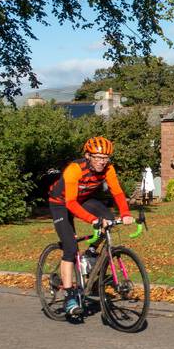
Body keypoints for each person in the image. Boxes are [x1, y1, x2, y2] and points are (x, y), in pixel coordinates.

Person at [47, 136, 134, 318]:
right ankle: (70, 295)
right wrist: (92, 219)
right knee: (70, 248)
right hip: (61, 203)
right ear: (87, 155)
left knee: (109, 220)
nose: (102, 162)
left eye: (105, 158)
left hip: (84, 199)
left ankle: (91, 252)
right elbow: (70, 203)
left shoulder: (108, 169)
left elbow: (117, 191)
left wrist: (125, 213)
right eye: (98, 157)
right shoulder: (74, 170)